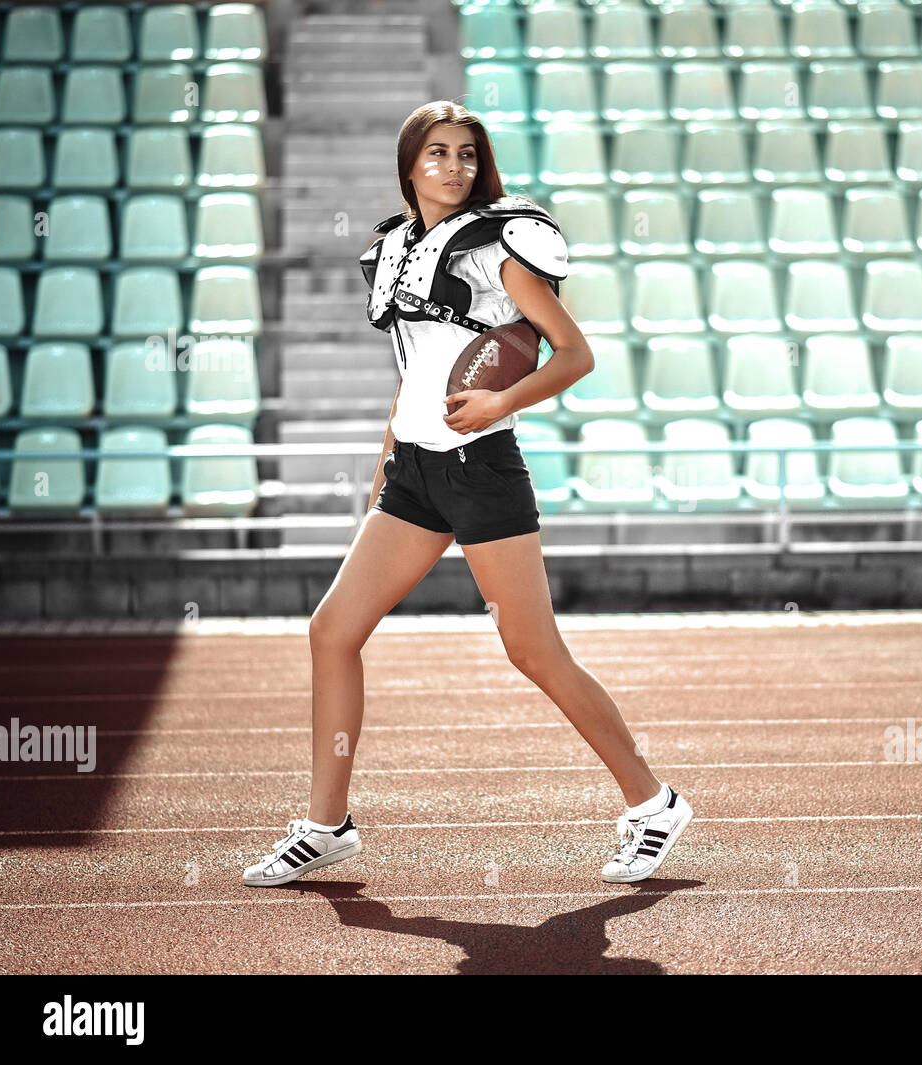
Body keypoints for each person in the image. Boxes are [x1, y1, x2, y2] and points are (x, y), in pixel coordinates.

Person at [244, 101, 692, 889]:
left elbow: (573, 353)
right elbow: (413, 371)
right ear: (410, 165)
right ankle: (326, 825)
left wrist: (498, 403)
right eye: (437, 154)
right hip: (414, 471)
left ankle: (653, 801)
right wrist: (388, 461)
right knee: (333, 630)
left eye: (466, 155)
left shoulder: (500, 246)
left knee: (532, 650)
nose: (453, 168)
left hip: (481, 465)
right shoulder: (391, 247)